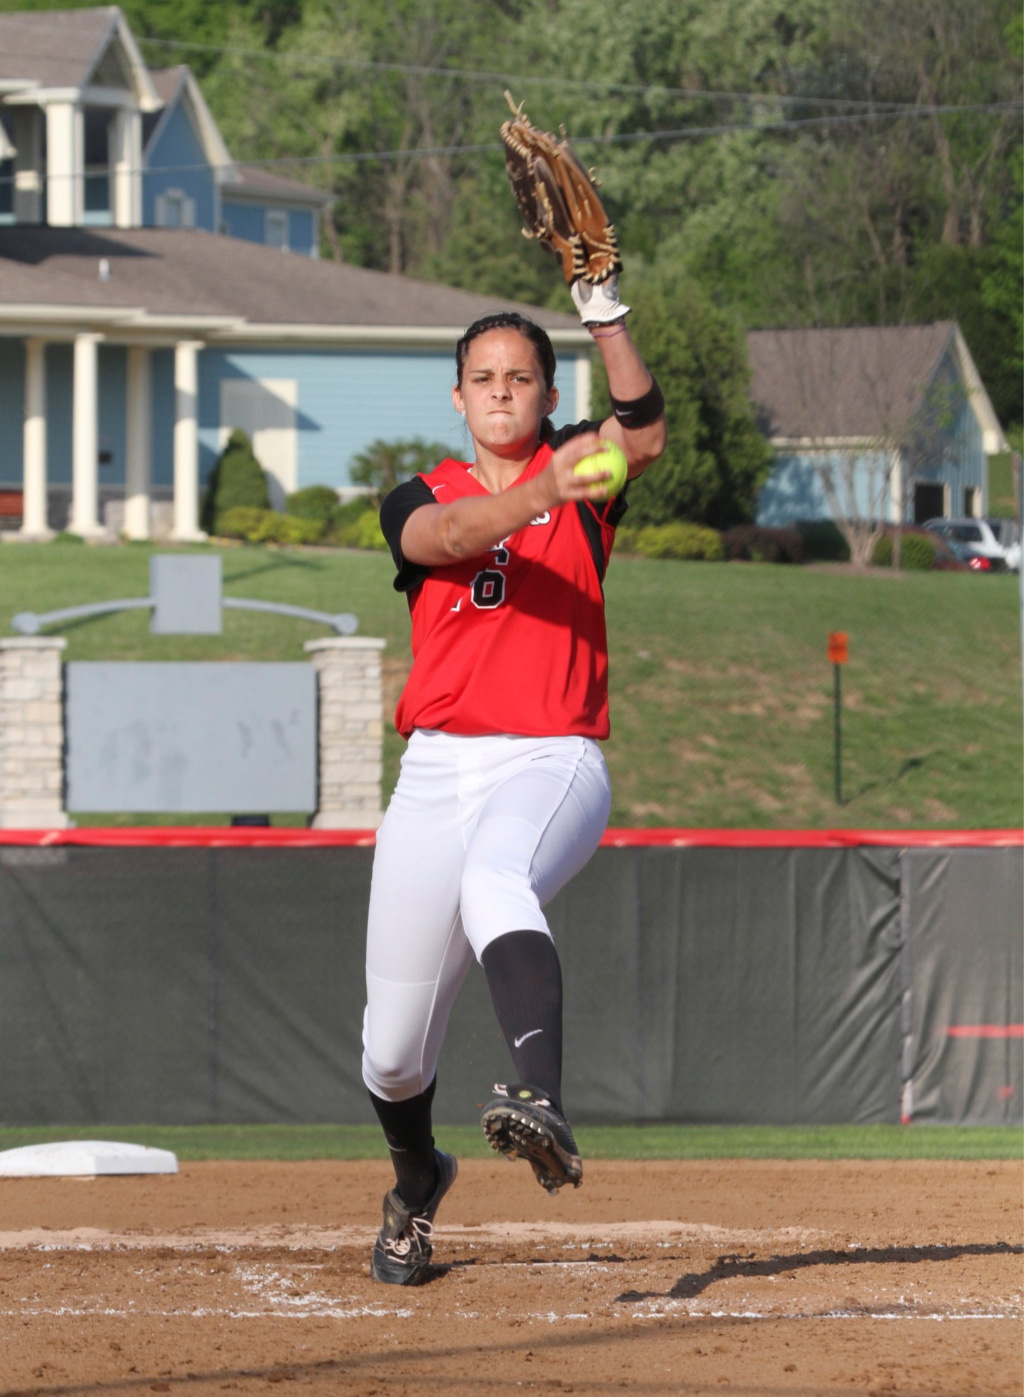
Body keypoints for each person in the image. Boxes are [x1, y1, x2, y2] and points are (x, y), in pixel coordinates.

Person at [362, 289, 666, 1286]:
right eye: (484, 379)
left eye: (520, 378)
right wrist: (544, 493)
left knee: (499, 879)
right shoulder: (418, 488)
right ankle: (416, 1179)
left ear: (546, 392)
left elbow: (646, 431)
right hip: (436, 767)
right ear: (457, 397)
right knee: (393, 1052)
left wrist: (607, 313)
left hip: (551, 753)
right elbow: (438, 540)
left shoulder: (581, 463)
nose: (501, 392)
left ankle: (543, 1098)